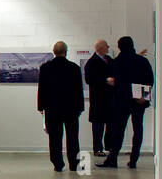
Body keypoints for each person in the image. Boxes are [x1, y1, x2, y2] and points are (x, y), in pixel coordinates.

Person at [101, 35, 154, 169]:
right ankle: (134, 160)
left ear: (119, 47)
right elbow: (150, 80)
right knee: (138, 129)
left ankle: (113, 159)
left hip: (122, 101)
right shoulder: (142, 61)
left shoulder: (118, 61)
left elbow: (115, 80)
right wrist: (144, 97)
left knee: (118, 130)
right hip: (138, 101)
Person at [36, 41, 85, 172]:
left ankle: (57, 164)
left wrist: (41, 107)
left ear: (54, 51)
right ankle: (74, 164)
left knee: (54, 138)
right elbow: (78, 90)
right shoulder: (74, 68)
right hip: (71, 109)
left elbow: (42, 89)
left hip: (52, 109)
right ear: (66, 51)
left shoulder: (45, 67)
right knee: (73, 137)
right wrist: (80, 107)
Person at [84, 39, 113, 156]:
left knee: (111, 124)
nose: (108, 47)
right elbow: (89, 79)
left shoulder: (109, 60)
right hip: (98, 100)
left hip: (110, 99)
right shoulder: (91, 63)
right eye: (107, 46)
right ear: (101, 48)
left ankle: (109, 146)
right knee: (98, 126)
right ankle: (98, 148)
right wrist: (105, 80)